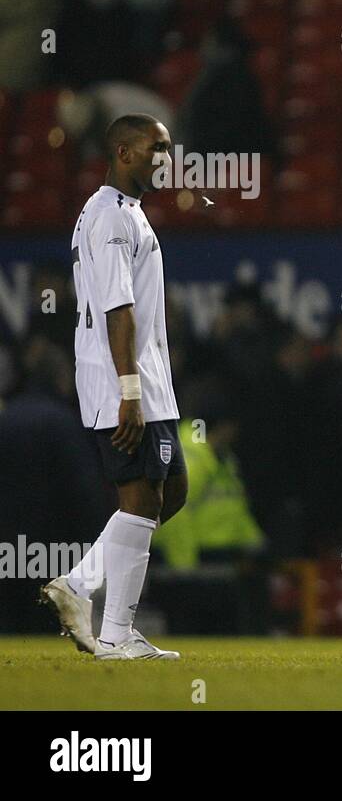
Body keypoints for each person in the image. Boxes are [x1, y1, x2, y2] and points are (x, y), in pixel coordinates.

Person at [40, 113, 187, 661]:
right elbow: (116, 309)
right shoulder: (108, 217)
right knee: (141, 498)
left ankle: (83, 588)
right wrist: (129, 390)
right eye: (156, 149)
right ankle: (114, 629)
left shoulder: (125, 215)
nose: (165, 160)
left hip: (147, 378)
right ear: (123, 152)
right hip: (123, 380)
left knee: (170, 492)